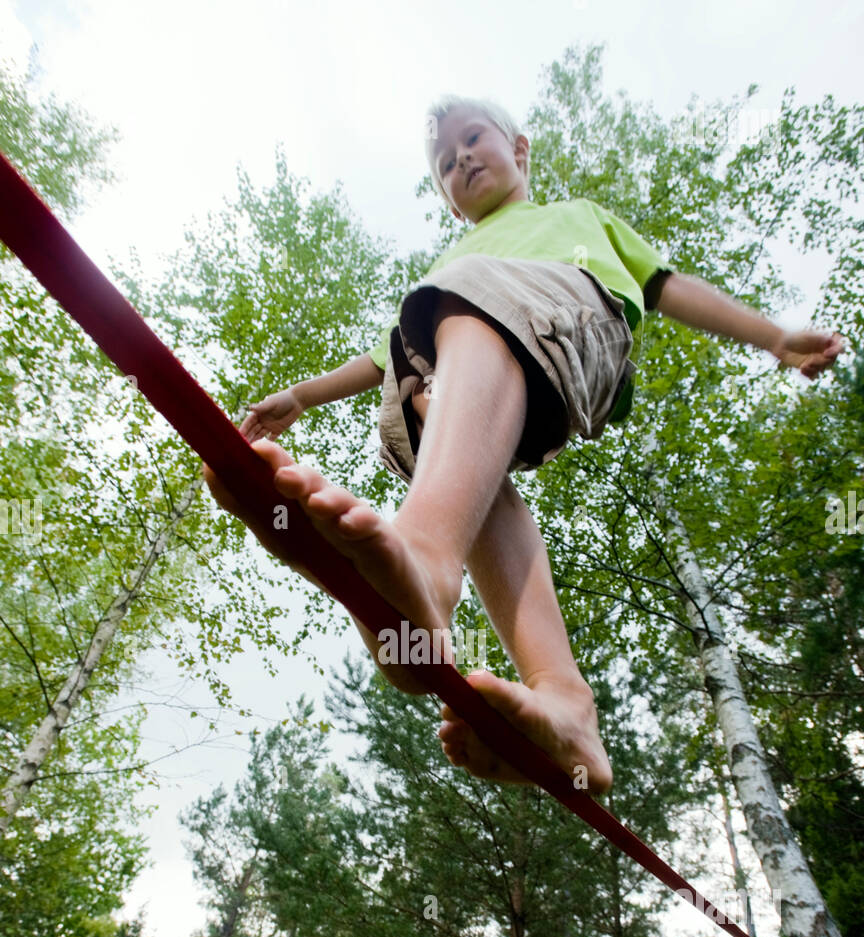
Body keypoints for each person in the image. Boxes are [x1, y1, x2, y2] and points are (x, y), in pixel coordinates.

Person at [203, 94, 845, 794]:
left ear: (520, 150)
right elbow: (378, 360)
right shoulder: (456, 263)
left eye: (472, 139)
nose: (460, 158)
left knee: (456, 305)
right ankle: (564, 701)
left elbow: (668, 287)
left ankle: (428, 562)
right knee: (429, 406)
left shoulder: (576, 219)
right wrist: (304, 394)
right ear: (450, 205)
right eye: (444, 164)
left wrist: (775, 338)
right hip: (478, 374)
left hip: (576, 321)